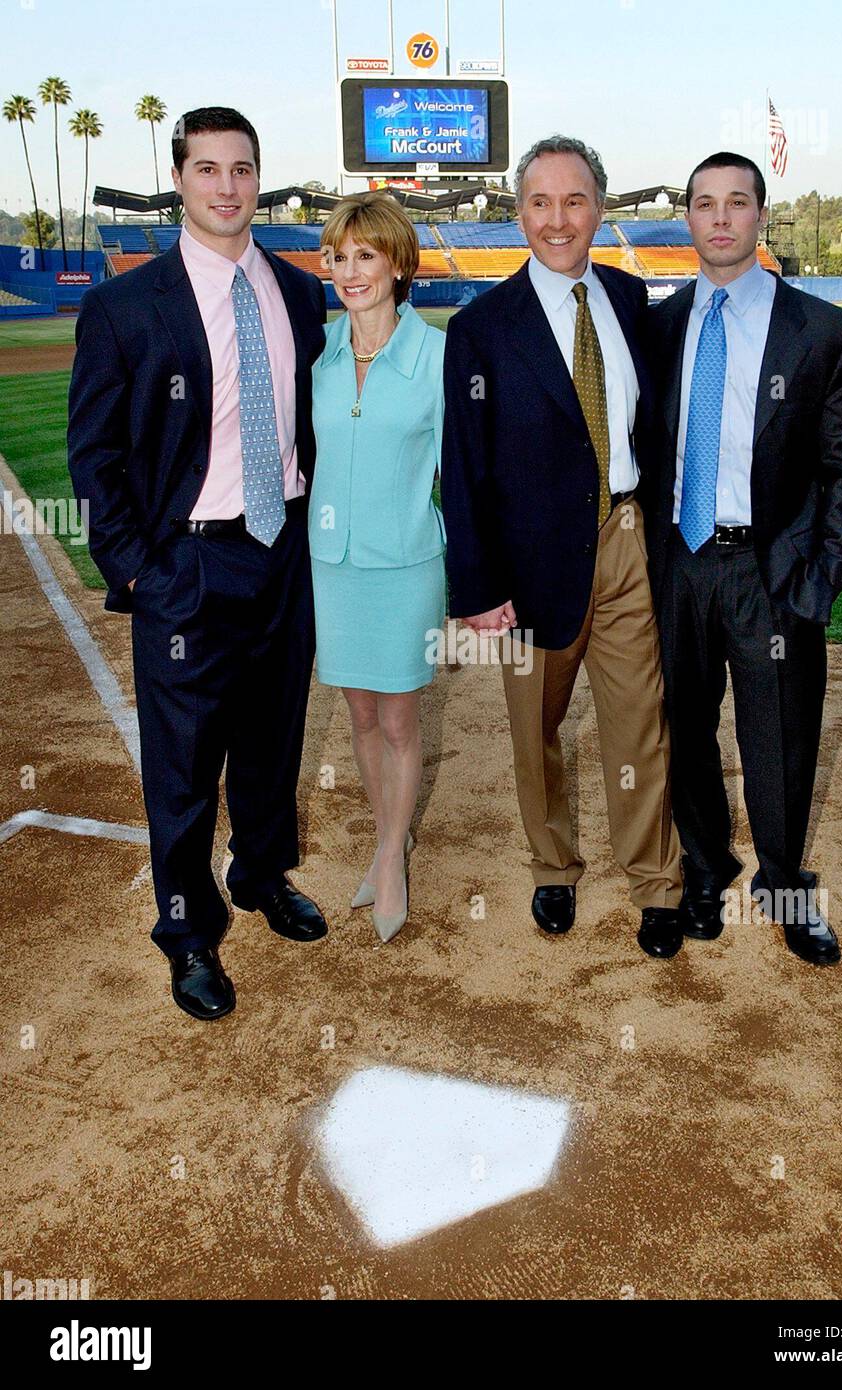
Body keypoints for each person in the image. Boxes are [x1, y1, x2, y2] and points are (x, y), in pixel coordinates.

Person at [68, 107, 329, 1021]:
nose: (225, 186)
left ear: (261, 178)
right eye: (206, 168)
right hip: (188, 564)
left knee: (272, 742)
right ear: (178, 178)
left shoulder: (301, 294)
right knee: (181, 770)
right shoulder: (124, 305)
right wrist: (139, 569)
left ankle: (261, 874)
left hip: (282, 552)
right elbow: (93, 455)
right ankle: (186, 934)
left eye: (241, 168)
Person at [441, 135, 683, 954]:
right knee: (533, 731)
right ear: (518, 214)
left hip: (623, 539)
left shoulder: (625, 292)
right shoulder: (479, 328)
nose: (557, 219)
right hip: (529, 559)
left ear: (599, 209)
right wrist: (475, 589)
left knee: (638, 724)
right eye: (539, 202)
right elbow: (463, 470)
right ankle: (552, 869)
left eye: (573, 200)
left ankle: (655, 883)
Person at [644, 151, 842, 965]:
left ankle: (781, 883)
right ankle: (705, 871)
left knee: (778, 737)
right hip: (678, 561)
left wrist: (816, 584)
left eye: (735, 203)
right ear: (688, 218)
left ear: (759, 216)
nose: (718, 218)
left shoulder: (823, 331)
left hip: (768, 571)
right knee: (684, 729)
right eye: (703, 203)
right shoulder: (661, 324)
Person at [309, 193, 446, 943]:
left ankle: (390, 855)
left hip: (405, 566)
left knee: (397, 715)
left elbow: (460, 473)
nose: (349, 270)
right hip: (331, 566)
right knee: (359, 714)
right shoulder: (322, 356)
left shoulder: (437, 358)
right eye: (338, 255)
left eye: (365, 254)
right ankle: (387, 834)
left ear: (397, 264)